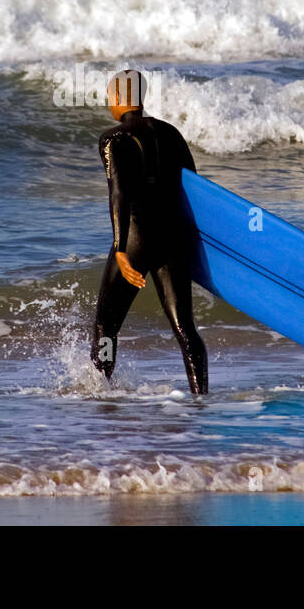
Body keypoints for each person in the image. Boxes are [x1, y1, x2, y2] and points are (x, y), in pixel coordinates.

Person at [91, 69, 208, 395]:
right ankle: (201, 401)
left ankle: (102, 393)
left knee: (106, 327)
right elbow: (194, 188)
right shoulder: (171, 133)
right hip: (174, 238)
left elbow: (119, 193)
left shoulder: (113, 139)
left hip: (136, 241)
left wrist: (120, 248)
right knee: (185, 328)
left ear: (117, 99)